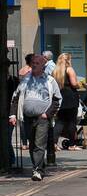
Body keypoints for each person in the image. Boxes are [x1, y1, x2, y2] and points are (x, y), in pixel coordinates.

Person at [8, 53, 61, 181]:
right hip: (27, 117)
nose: (34, 65)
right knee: (32, 145)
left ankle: (37, 170)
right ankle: (39, 166)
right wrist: (13, 114)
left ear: (43, 65)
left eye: (37, 63)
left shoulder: (50, 80)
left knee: (39, 144)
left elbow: (57, 99)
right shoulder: (26, 79)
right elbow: (15, 97)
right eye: (33, 63)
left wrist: (47, 114)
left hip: (42, 118)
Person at [53, 53, 81, 150]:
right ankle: (72, 144)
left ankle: (54, 143)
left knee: (60, 121)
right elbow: (74, 84)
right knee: (71, 121)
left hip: (60, 96)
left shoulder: (55, 71)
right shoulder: (69, 69)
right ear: (68, 60)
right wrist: (79, 85)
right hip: (70, 97)